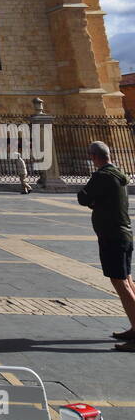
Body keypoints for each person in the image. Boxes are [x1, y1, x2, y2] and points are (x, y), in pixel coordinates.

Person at [77, 141, 135, 350]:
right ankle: (134, 327)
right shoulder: (119, 174)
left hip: (112, 237)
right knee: (128, 282)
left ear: (93, 157)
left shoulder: (102, 176)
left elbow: (83, 197)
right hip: (124, 235)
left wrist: (93, 202)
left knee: (121, 285)